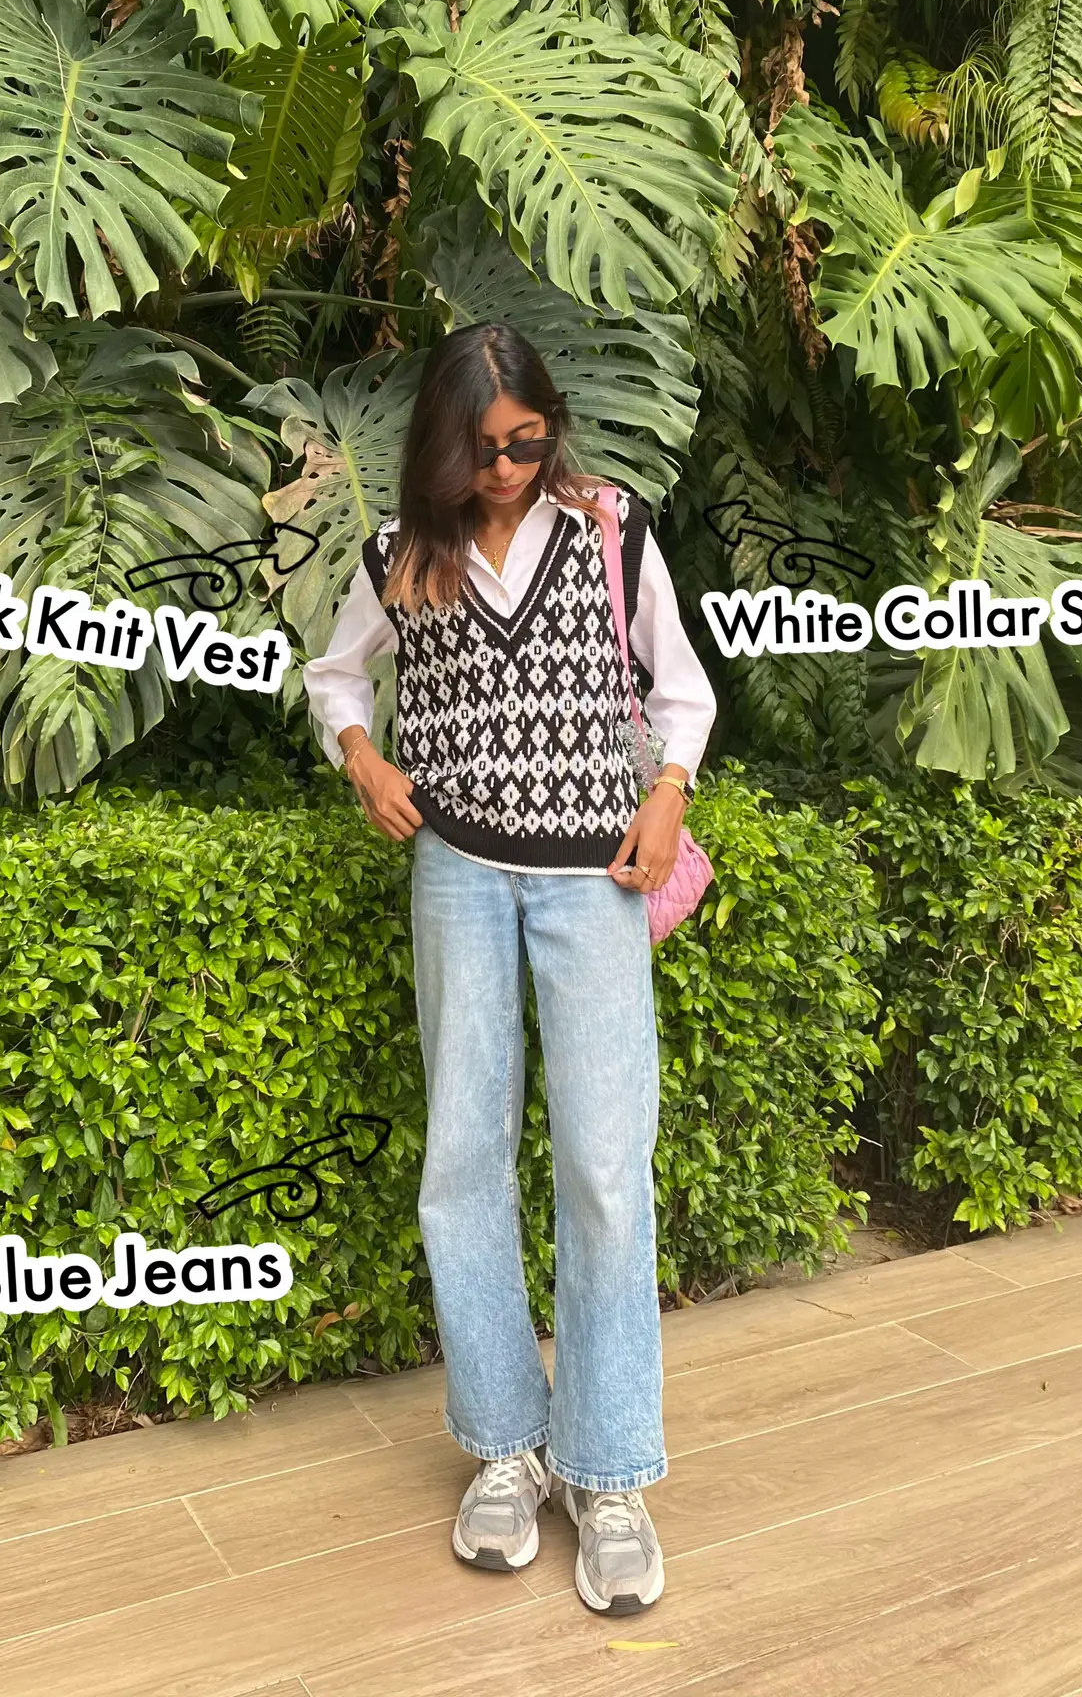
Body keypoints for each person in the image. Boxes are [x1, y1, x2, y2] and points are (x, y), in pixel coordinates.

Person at [303, 321, 717, 1616]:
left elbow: (683, 691)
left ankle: (608, 1471)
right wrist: (364, 759)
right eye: (481, 450)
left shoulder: (609, 530)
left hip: (597, 880)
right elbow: (334, 676)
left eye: (525, 444)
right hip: (458, 876)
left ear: (550, 430)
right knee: (464, 1162)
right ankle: (504, 1447)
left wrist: (667, 794)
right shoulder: (401, 554)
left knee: (604, 1166)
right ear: (441, 445)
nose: (504, 470)